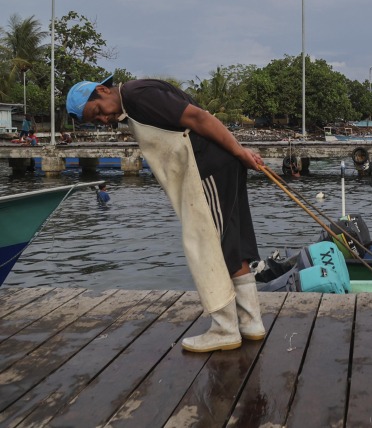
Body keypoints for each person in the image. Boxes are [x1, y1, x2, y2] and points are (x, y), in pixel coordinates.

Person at [66, 75, 266, 353]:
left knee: (209, 246)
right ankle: (251, 323)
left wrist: (240, 152)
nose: (104, 120)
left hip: (208, 169)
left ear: (102, 90)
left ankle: (225, 329)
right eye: (95, 121)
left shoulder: (137, 97)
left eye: (98, 111)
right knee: (233, 242)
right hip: (216, 167)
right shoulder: (133, 101)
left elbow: (199, 118)